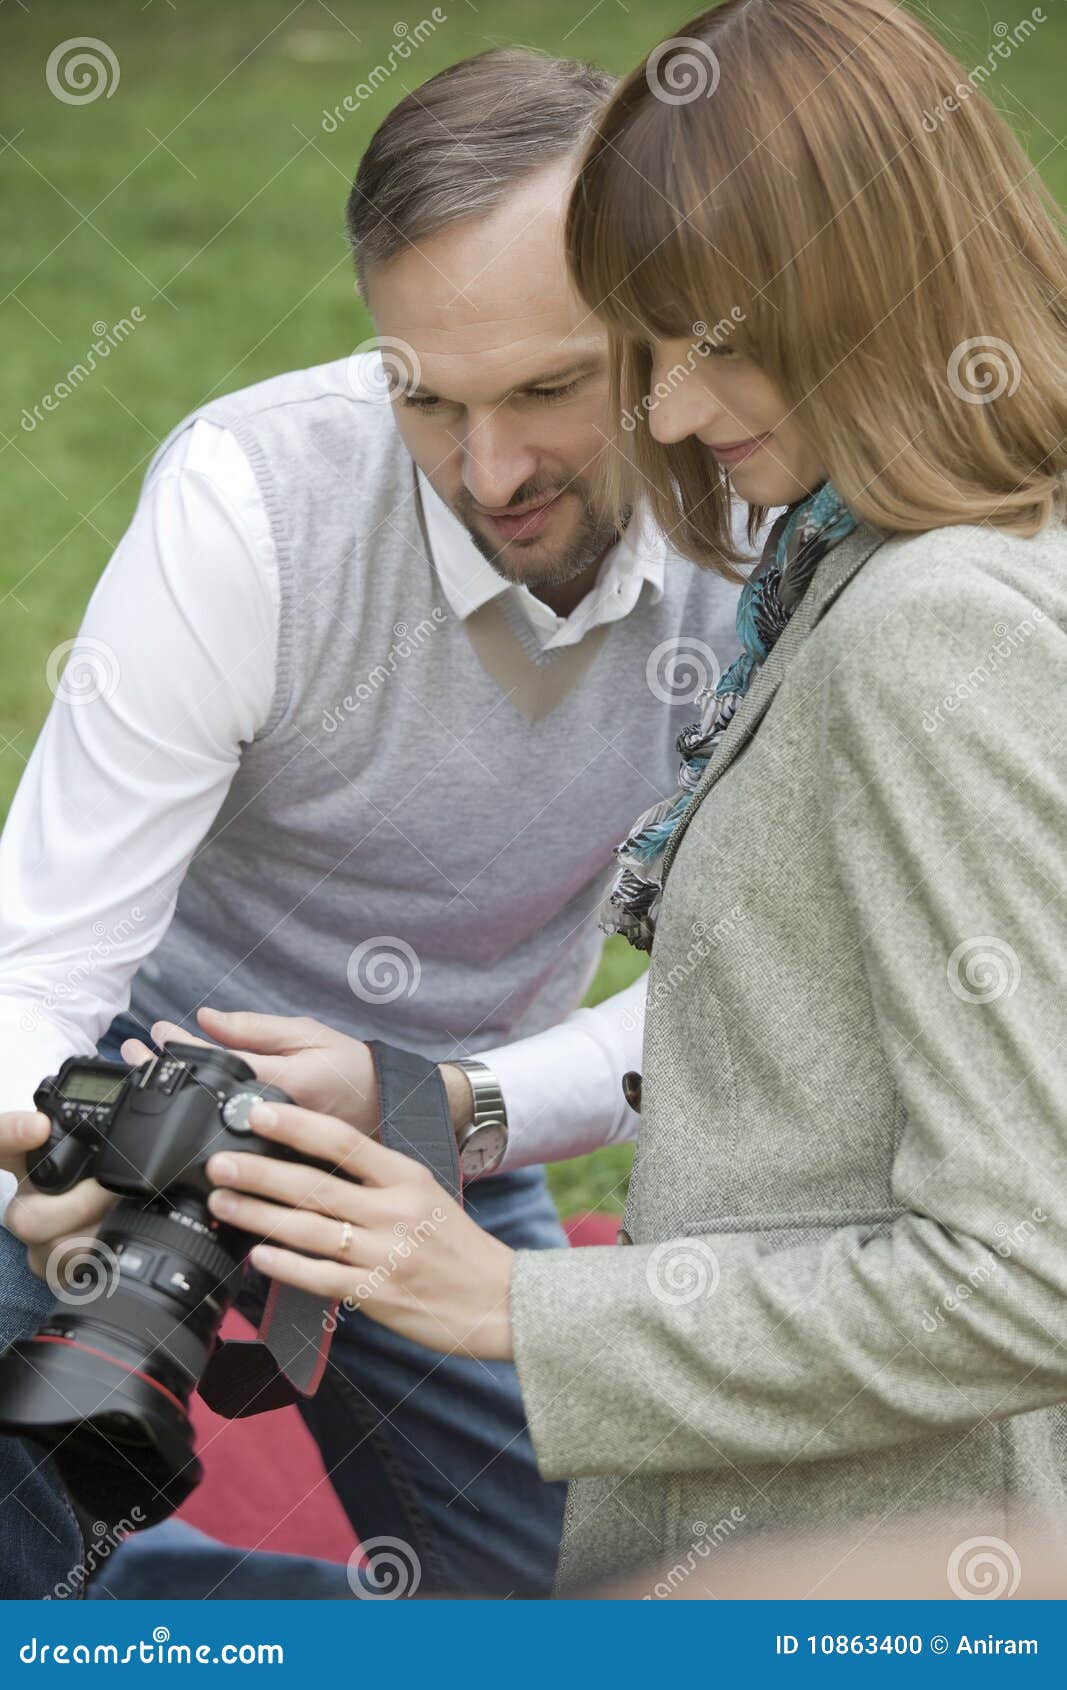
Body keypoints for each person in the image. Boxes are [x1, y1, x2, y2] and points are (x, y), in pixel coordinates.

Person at [143, 0, 1067, 1596]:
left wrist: (511, 1305)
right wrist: (452, 1106)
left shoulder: (938, 624)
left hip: (844, 1559)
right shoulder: (898, 554)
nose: (677, 413)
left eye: (711, 342)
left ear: (860, 282)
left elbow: (1023, 1273)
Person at [0, 48, 760, 1599]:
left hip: (454, 1135)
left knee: (607, 1611)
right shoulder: (247, 500)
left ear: (660, 328)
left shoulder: (760, 526)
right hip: (138, 1105)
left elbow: (751, 1015)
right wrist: (42, 1150)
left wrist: (437, 1109)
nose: (490, 471)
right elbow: (37, 956)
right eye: (426, 395)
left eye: (550, 388)